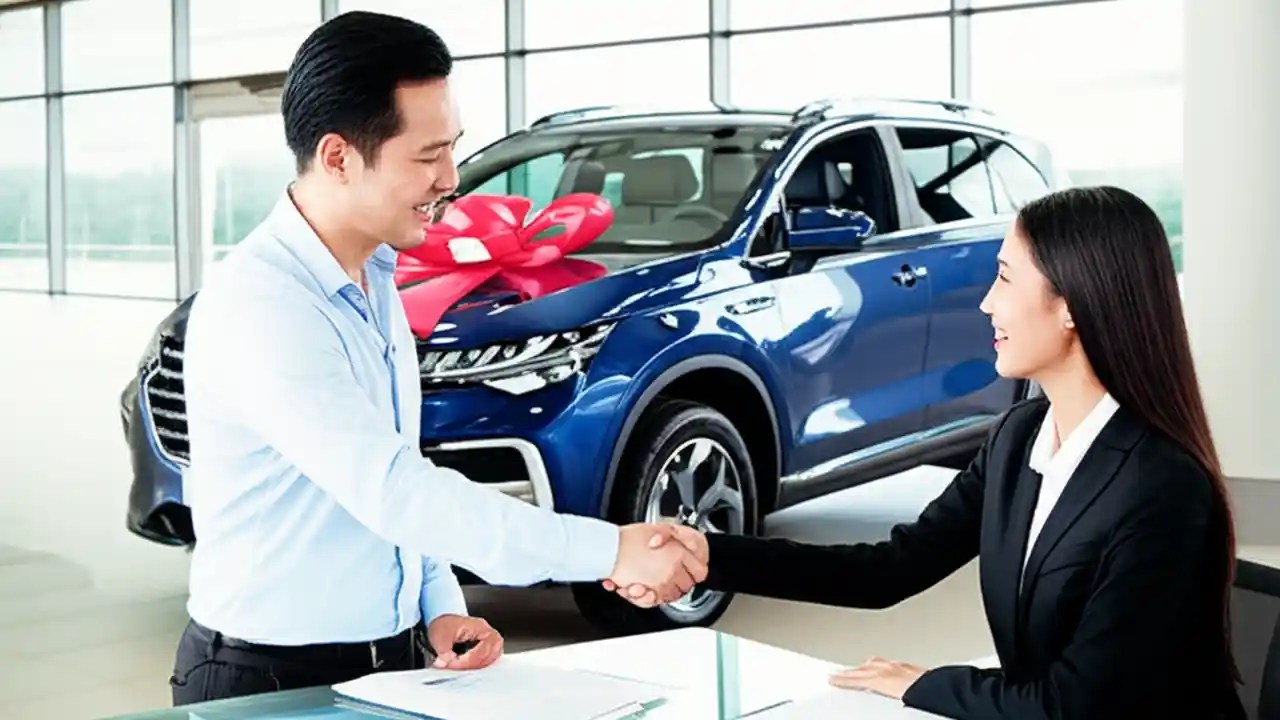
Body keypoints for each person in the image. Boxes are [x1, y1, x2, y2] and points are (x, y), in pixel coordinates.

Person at [169, 11, 703, 705]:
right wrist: (609, 550)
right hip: (265, 679)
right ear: (338, 157)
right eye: (426, 157)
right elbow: (393, 491)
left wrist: (437, 603)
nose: (451, 178)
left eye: (452, 149)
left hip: (391, 660)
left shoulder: (376, 274)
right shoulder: (267, 305)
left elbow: (399, 474)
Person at [611, 186, 1246, 719]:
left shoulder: (1162, 487)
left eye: (1003, 277)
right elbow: (891, 567)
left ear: (1073, 306)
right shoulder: (1020, 437)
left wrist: (925, 685)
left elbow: (1072, 705)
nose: (985, 302)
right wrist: (710, 554)